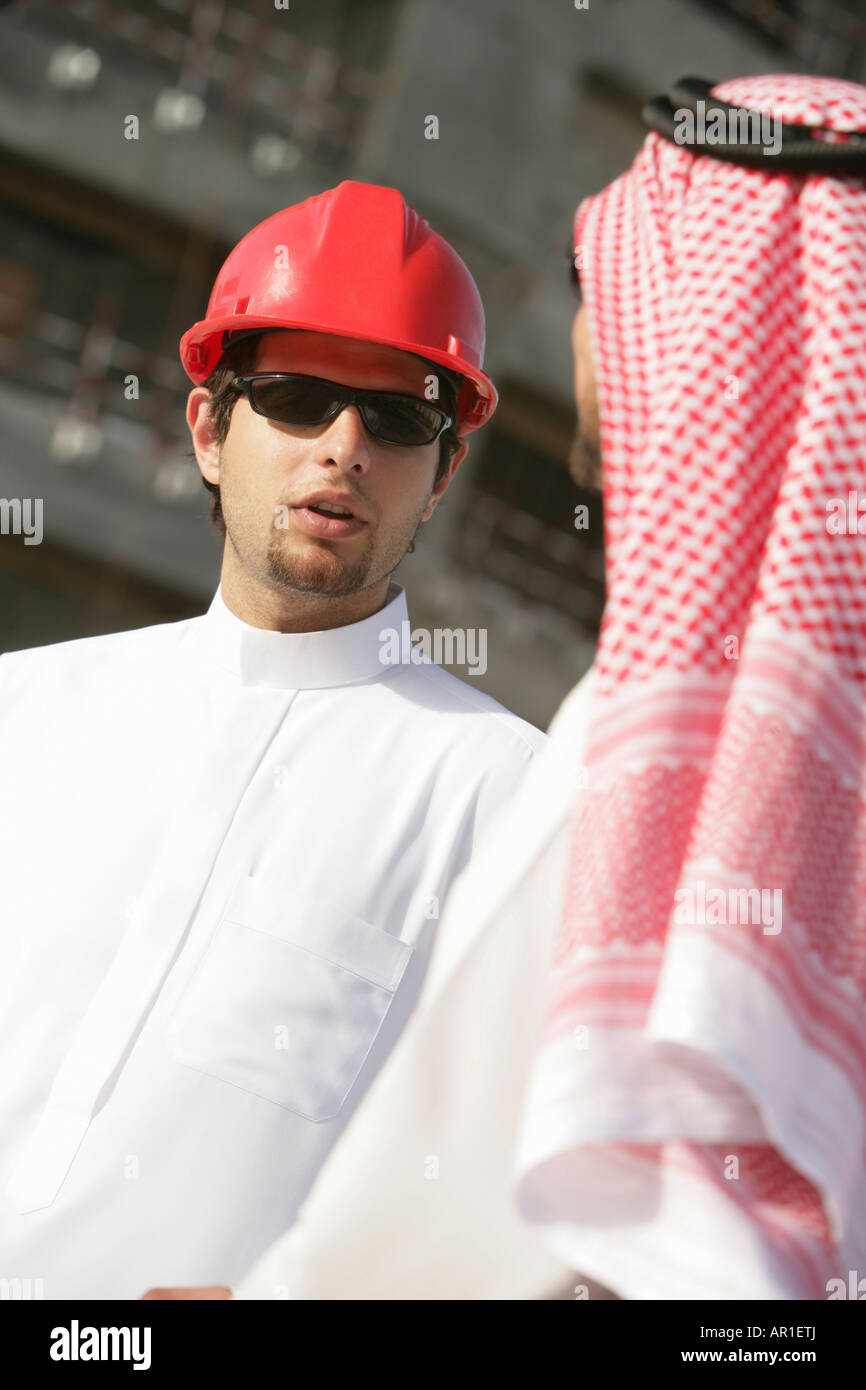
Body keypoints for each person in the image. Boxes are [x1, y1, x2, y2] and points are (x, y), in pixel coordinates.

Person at [168, 73, 865, 1302]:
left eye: (613, 277)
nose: (591, 333)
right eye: (293, 398)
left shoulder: (668, 745)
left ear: (719, 318)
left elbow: (534, 1184)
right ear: (206, 428)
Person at [0, 180, 547, 1300]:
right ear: (208, 429)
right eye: (297, 398)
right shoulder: (23, 711)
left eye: (396, 419)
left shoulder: (516, 804)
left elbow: (550, 1203)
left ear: (441, 475)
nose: (343, 448)